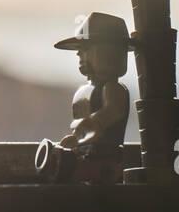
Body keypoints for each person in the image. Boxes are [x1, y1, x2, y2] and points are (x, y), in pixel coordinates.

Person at [35, 12, 132, 184]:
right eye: (80, 50)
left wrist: (88, 127)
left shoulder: (112, 88)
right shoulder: (85, 90)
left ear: (109, 53)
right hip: (84, 153)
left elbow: (113, 111)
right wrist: (73, 140)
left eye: (86, 49)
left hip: (104, 160)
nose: (79, 55)